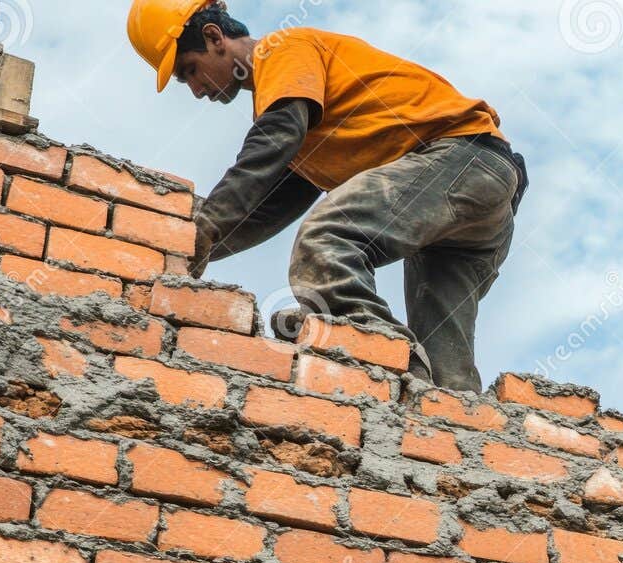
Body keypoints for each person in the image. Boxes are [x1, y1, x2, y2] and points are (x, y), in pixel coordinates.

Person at [125, 0, 527, 391]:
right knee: (446, 374)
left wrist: (203, 227)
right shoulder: (301, 112)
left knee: (326, 240)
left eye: (190, 71)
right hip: (478, 195)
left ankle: (387, 365)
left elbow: (274, 140)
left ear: (214, 37)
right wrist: (187, 249)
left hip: (460, 161)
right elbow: (271, 204)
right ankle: (446, 428)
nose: (196, 90)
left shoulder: (282, 51)